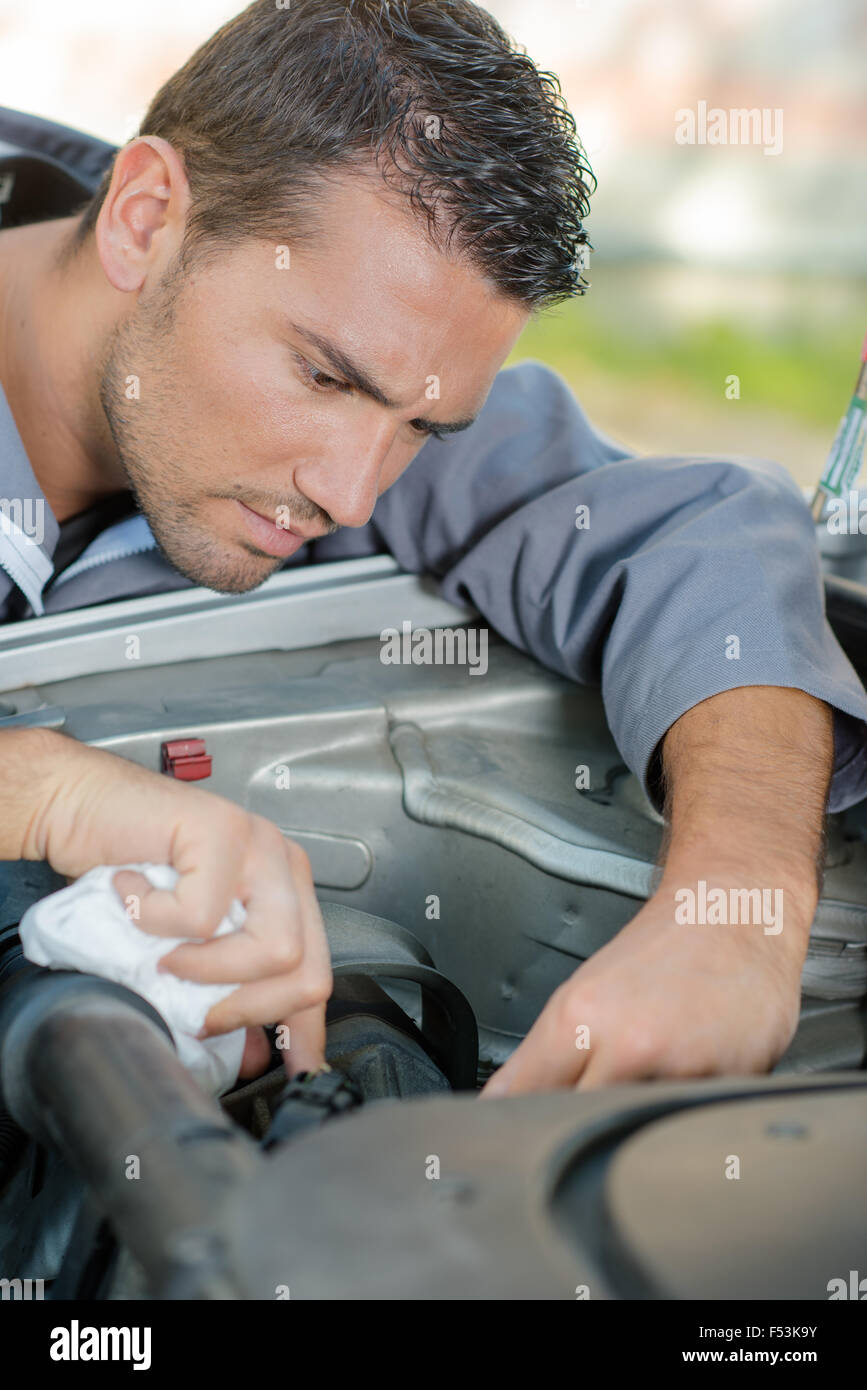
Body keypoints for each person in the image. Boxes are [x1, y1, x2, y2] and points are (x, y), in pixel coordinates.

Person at [0, 0, 865, 1095]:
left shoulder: (375, 347)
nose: (351, 492)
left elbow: (706, 540)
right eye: (323, 376)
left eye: (423, 428)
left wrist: (733, 916)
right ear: (144, 217)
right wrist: (38, 792)